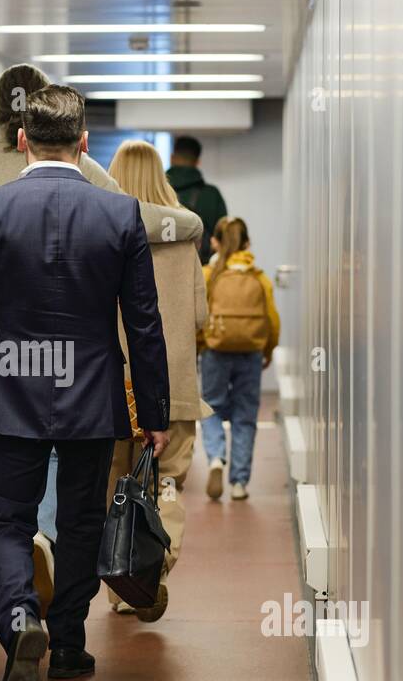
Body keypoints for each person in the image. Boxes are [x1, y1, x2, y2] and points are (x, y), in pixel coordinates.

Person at [0, 63, 186, 617]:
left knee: (7, 518)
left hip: (7, 386)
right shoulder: (118, 212)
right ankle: (68, 642)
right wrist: (155, 412)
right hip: (92, 393)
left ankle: (18, 617)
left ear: (23, 141)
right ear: (84, 143)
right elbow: (144, 321)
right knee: (81, 519)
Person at [103, 140, 208, 622]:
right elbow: (202, 315)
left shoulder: (101, 229)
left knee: (116, 485)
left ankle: (121, 583)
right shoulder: (184, 234)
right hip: (176, 388)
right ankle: (155, 571)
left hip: (113, 386)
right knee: (167, 485)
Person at [199, 217, 280, 501]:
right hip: (250, 354)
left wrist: (201, 346)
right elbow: (272, 319)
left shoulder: (209, 275)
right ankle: (239, 483)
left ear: (215, 242)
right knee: (245, 416)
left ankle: (216, 459)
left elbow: (197, 317)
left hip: (215, 352)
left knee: (210, 408)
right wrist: (267, 350)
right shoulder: (259, 277)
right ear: (247, 243)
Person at [166, 135, 228, 263]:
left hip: (162, 271)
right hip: (202, 271)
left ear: (172, 158)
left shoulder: (157, 192)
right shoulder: (212, 194)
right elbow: (224, 237)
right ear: (197, 162)